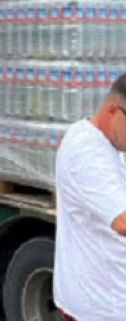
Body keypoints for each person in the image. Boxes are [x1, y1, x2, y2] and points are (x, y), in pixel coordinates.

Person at [53, 73, 126, 320]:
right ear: (112, 110)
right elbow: (122, 221)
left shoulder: (113, 143)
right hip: (100, 308)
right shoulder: (87, 151)